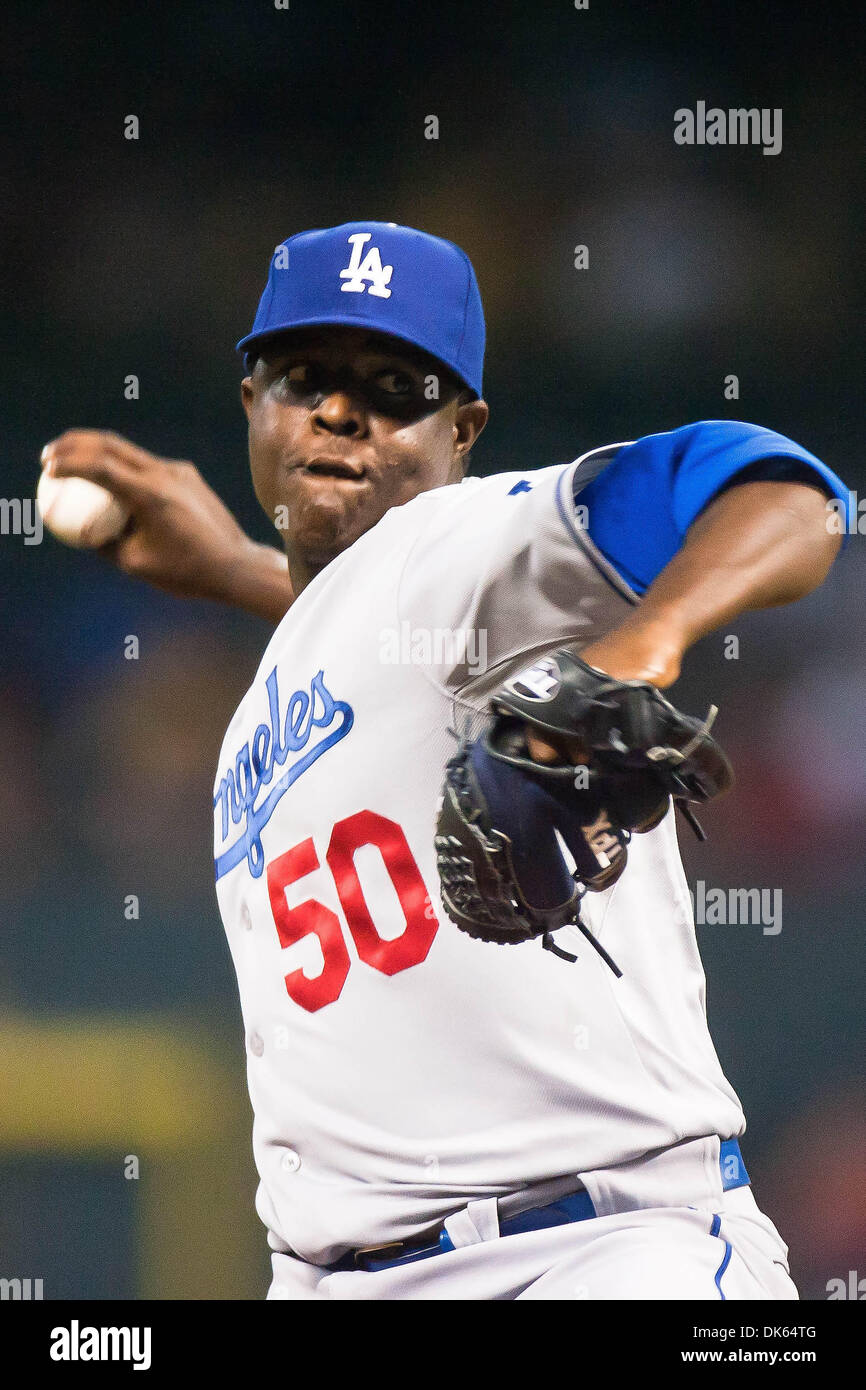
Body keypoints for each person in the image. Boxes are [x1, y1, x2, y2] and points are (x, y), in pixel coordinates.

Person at [42, 221, 847, 1300]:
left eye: (391, 385)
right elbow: (382, 657)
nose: (338, 410)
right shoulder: (300, 674)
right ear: (250, 403)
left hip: (592, 1252)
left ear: (462, 432)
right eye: (303, 377)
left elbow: (780, 492)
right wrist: (236, 565)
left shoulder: (465, 544)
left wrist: (629, 654)